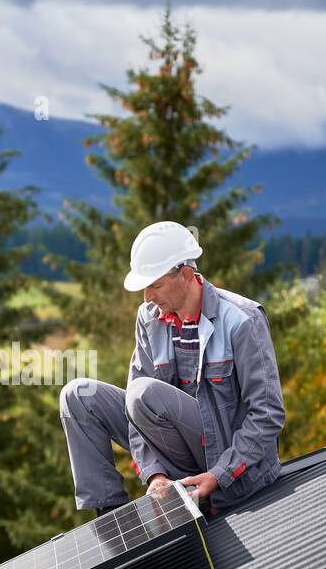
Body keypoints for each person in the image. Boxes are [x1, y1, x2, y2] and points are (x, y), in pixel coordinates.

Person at [59, 220, 286, 516]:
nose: (147, 297)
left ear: (187, 275)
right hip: (175, 445)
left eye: (155, 285)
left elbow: (268, 414)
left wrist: (218, 475)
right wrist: (154, 474)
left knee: (142, 393)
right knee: (78, 395)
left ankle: (201, 486)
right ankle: (110, 517)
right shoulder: (149, 318)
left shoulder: (242, 320)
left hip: (229, 468)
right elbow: (132, 407)